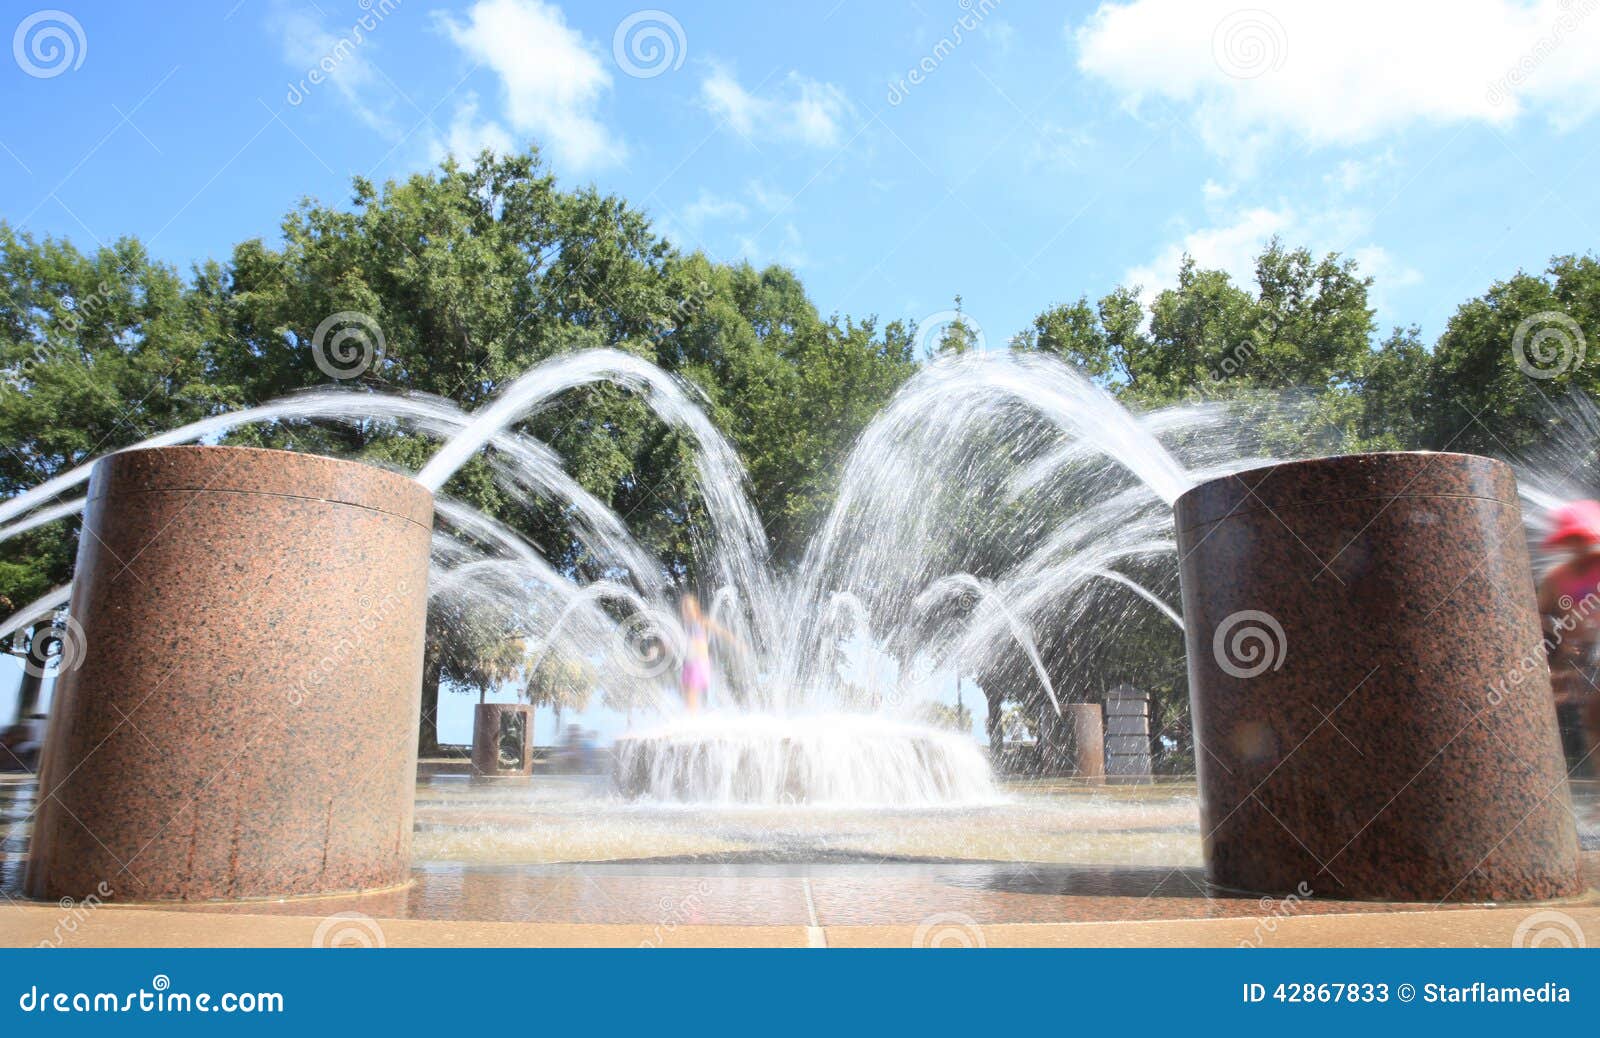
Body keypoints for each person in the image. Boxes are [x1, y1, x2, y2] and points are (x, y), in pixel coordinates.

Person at [1536, 500, 1600, 776]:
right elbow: (1536, 615)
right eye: (1573, 539)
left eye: (1584, 538)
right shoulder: (1556, 578)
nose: (1580, 545)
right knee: (1593, 722)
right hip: (1579, 659)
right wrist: (1557, 632)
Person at [678, 594, 712, 712]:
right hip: (688, 664)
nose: (686, 610)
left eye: (689, 607)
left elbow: (719, 630)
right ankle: (692, 718)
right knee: (684, 692)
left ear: (695, 609)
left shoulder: (700, 621)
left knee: (692, 694)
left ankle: (693, 721)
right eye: (684, 608)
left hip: (699, 664)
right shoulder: (685, 626)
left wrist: (736, 642)